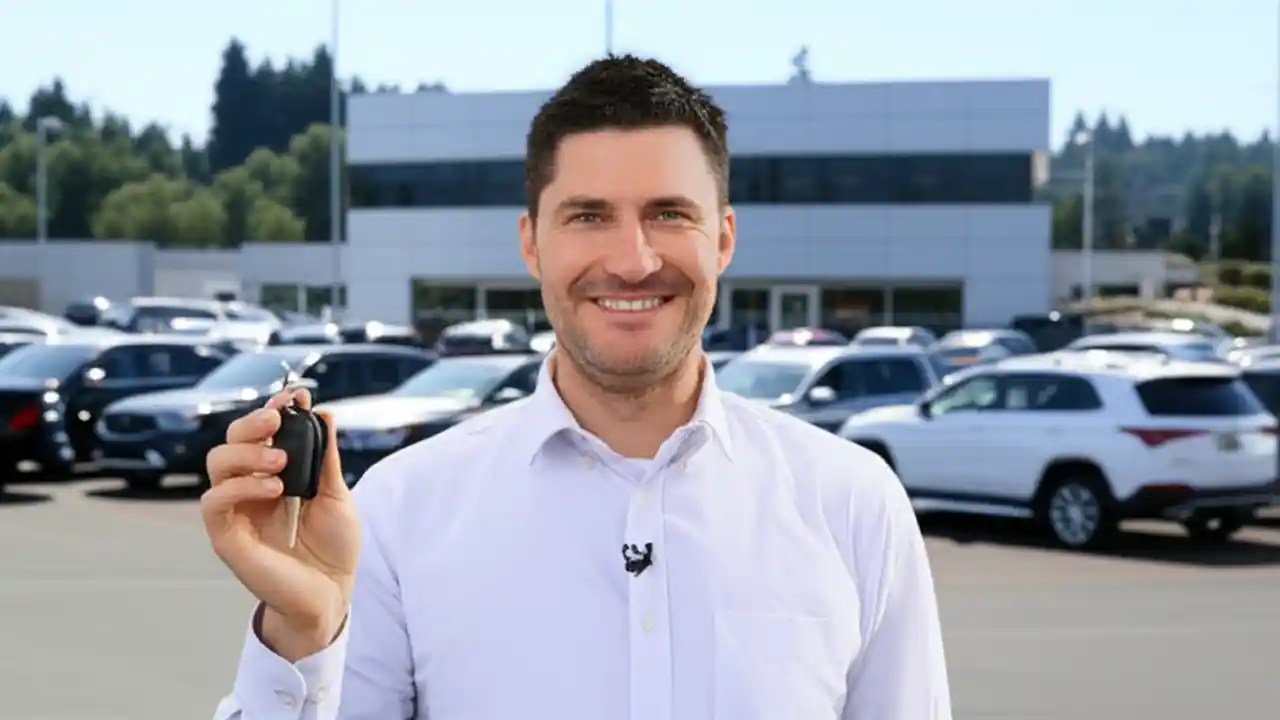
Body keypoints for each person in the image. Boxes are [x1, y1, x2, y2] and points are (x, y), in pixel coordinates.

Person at [203, 54, 953, 719]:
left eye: (668, 214)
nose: (631, 261)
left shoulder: (853, 505)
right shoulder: (399, 515)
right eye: (589, 216)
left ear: (723, 238)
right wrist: (300, 636)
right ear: (532, 242)